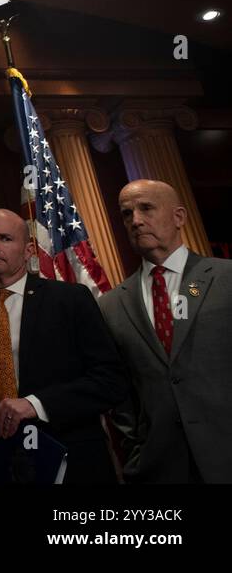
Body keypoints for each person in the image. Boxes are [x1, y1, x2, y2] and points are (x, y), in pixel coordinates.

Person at [0, 209, 126, 483]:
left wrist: (35, 405)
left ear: (29, 249)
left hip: (67, 461)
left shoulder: (69, 300)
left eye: (5, 238)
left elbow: (110, 380)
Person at [98, 179, 232, 483]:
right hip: (161, 468)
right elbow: (122, 395)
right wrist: (137, 454)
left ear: (179, 217)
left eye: (146, 208)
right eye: (127, 214)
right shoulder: (111, 305)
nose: (136, 220)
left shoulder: (226, 278)